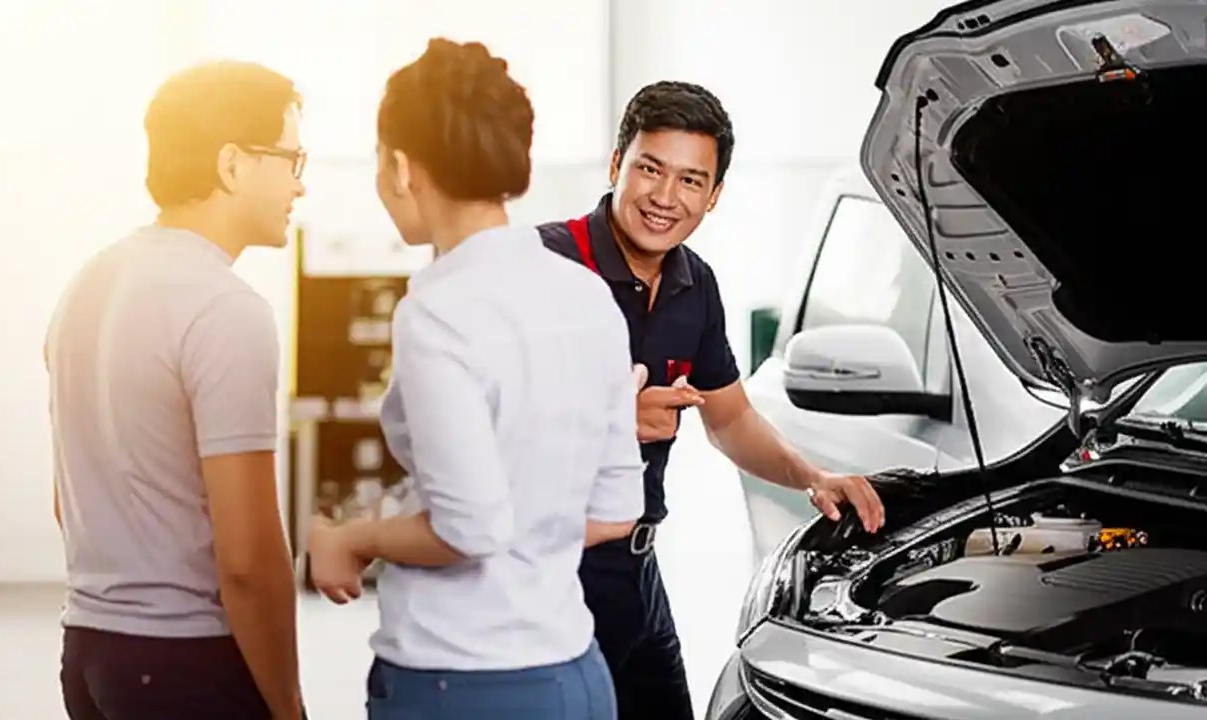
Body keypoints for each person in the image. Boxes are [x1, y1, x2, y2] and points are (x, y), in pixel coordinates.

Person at [304, 38, 645, 720]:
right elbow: (614, 512)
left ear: (402, 167)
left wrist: (350, 538)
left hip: (461, 684)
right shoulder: (586, 296)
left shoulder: (436, 314)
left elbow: (472, 529)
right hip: (577, 676)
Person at [536, 80, 888, 720]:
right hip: (546, 576)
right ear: (617, 165)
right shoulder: (543, 263)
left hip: (639, 572)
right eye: (650, 169)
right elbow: (479, 420)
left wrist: (812, 477)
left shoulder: (695, 283)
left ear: (714, 195)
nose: (665, 199)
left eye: (691, 181)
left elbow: (729, 419)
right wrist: (610, 420)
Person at [45, 60, 307, 720]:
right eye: (292, 158)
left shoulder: (85, 285)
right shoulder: (225, 309)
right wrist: (288, 705)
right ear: (232, 164)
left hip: (89, 653)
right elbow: (248, 558)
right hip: (187, 662)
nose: (300, 186)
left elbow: (66, 502)